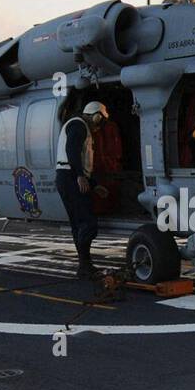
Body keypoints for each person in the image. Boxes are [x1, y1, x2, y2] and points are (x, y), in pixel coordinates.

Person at [55, 100, 110, 278]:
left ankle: (84, 266)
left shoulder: (77, 125)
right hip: (70, 177)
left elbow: (80, 160)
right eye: (100, 121)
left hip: (67, 177)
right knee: (87, 223)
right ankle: (85, 265)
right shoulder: (78, 126)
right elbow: (72, 151)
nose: (100, 127)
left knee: (79, 224)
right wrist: (79, 175)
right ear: (95, 116)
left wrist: (94, 185)